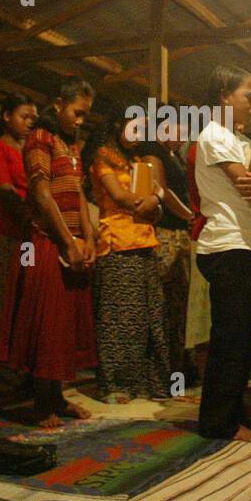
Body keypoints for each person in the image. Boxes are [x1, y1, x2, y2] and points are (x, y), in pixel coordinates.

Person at [0, 79, 98, 427]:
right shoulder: (40, 137)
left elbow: (80, 196)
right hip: (45, 240)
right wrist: (67, 241)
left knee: (64, 323)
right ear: (58, 104)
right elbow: (41, 192)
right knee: (46, 323)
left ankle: (57, 397)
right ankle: (42, 404)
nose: (81, 120)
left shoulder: (72, 146)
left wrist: (88, 238)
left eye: (86, 115)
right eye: (77, 112)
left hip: (72, 243)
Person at [192, 65, 251, 441]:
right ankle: (217, 423)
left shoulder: (242, 141)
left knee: (244, 339)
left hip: (248, 242)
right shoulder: (214, 136)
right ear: (225, 96)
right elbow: (248, 183)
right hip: (227, 242)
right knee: (229, 338)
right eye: (249, 96)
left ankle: (236, 413)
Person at [86, 103, 168, 403]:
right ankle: (115, 384)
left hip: (145, 239)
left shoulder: (137, 161)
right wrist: (147, 204)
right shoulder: (103, 156)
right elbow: (119, 196)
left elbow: (158, 190)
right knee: (119, 317)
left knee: (148, 317)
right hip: (118, 242)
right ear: (120, 125)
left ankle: (146, 382)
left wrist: (154, 202)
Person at [141, 120, 196, 382]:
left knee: (180, 304)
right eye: (178, 130)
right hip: (167, 233)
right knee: (166, 302)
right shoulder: (153, 152)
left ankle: (180, 365)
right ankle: (164, 368)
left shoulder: (174, 155)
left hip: (181, 233)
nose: (182, 136)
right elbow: (162, 191)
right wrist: (189, 215)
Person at [0, 94, 37, 337]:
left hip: (29, 237)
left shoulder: (31, 150)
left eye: (32, 119)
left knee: (24, 297)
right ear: (6, 116)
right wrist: (35, 216)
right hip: (4, 234)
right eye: (24, 117)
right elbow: (4, 190)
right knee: (1, 296)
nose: (29, 123)